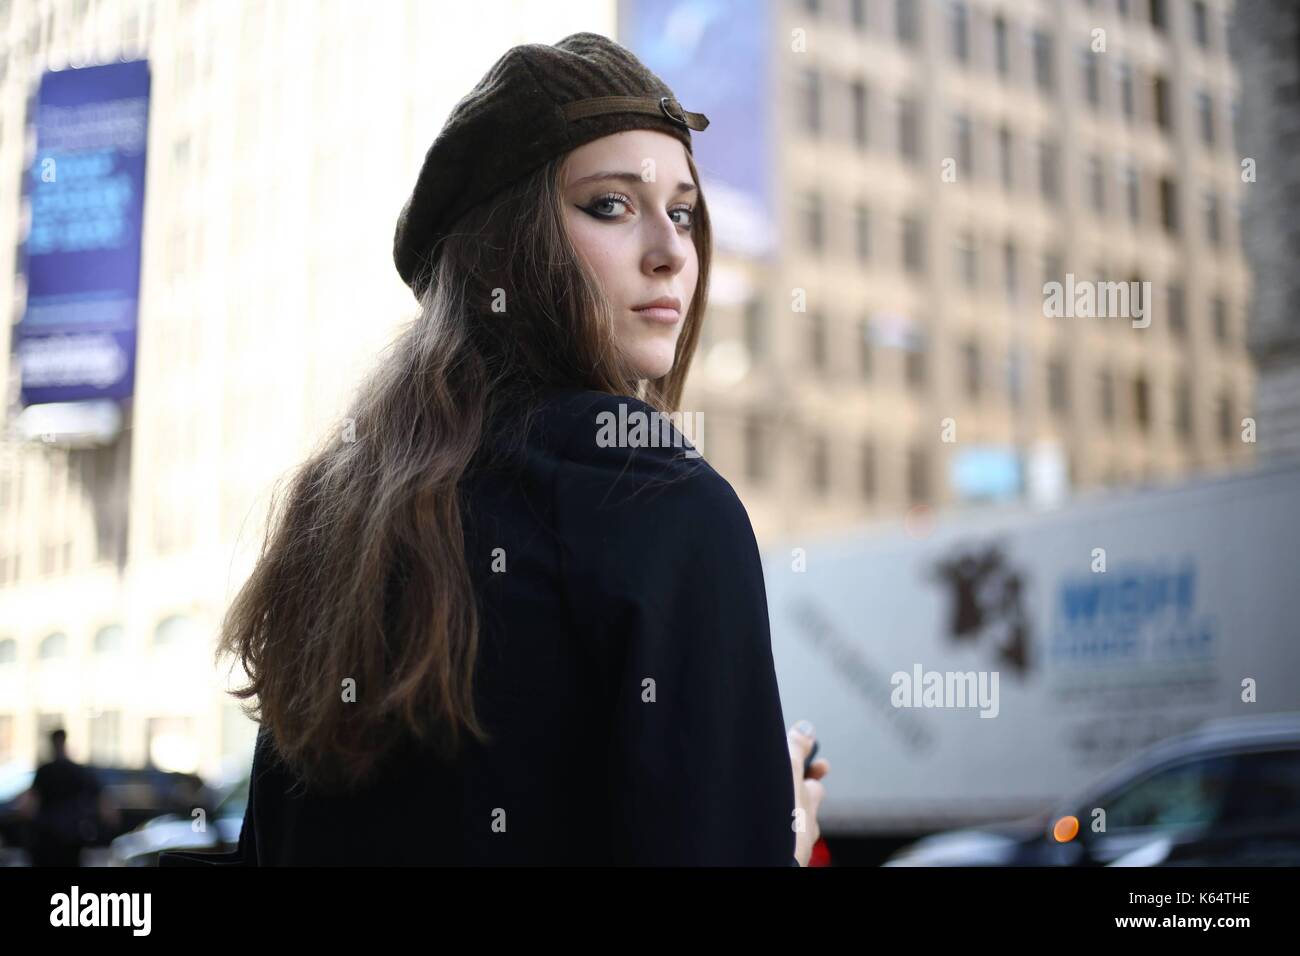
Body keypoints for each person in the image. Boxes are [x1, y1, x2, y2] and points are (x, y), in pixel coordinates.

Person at [161, 31, 829, 867]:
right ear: (509, 249)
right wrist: (783, 831)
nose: (672, 254)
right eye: (611, 205)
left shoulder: (333, 521)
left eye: (685, 212)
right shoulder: (658, 499)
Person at [17, 729, 120, 867]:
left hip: (48, 834)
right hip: (71, 833)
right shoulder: (77, 771)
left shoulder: (45, 771)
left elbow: (30, 805)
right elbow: (102, 802)